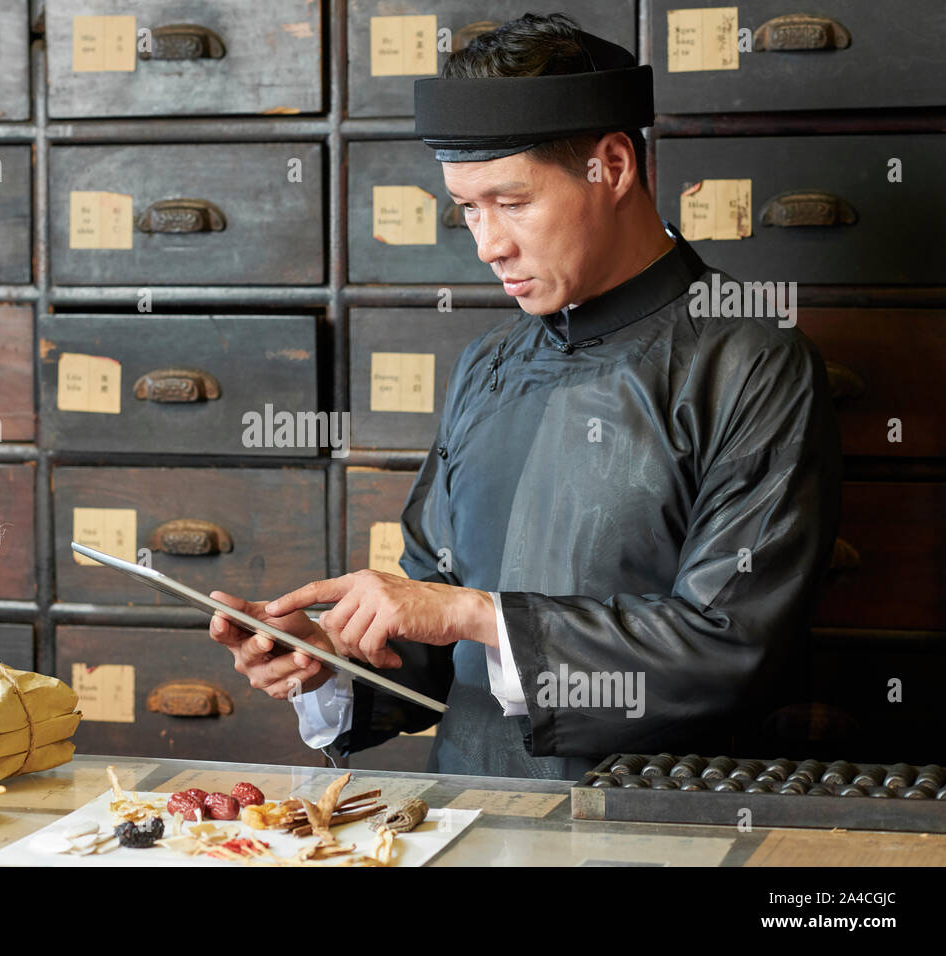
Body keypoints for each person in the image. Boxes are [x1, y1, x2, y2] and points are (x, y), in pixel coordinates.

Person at [209, 13, 842, 779]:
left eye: (512, 202)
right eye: (468, 208)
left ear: (611, 166)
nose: (487, 244)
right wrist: (332, 660)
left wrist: (476, 614)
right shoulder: (489, 364)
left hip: (657, 827)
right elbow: (432, 622)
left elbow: (731, 647)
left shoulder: (753, 363)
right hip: (465, 822)